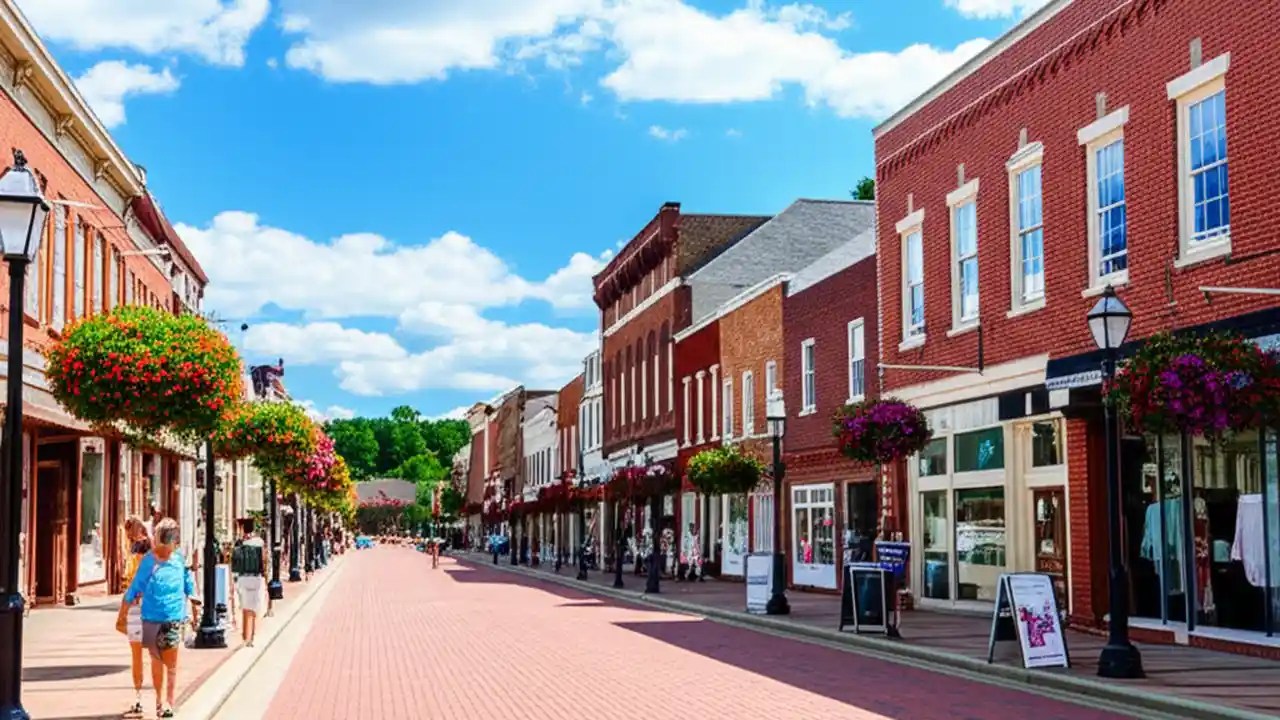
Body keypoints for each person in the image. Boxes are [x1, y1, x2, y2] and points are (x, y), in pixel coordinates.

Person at [117, 518, 195, 719]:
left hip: (173, 616)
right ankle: (159, 701)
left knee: (171, 663)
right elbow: (135, 588)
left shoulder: (178, 560)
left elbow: (188, 583)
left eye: (172, 540)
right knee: (156, 660)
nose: (170, 545)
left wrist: (194, 599)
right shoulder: (149, 561)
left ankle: (169, 702)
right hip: (151, 617)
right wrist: (123, 613)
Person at [116, 516, 152, 718]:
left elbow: (129, 588)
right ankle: (160, 700)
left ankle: (138, 697)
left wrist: (123, 611)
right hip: (153, 609)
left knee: (137, 654)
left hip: (136, 610)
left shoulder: (133, 559)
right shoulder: (155, 559)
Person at [231, 518, 267, 647]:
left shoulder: (239, 544)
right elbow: (264, 561)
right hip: (256, 578)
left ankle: (245, 635)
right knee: (254, 608)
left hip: (242, 578)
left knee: (245, 607)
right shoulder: (259, 543)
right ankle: (251, 636)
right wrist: (266, 579)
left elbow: (233, 563)